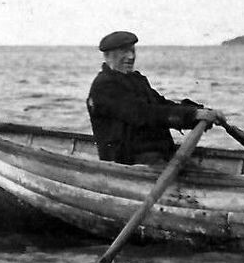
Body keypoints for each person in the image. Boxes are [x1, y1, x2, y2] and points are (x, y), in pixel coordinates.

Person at [87, 30, 227, 165]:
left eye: (132, 51)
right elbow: (143, 114)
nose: (130, 57)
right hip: (127, 159)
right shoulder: (104, 86)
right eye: (124, 51)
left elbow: (162, 105)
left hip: (157, 155)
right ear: (107, 56)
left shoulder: (136, 80)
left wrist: (202, 112)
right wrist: (193, 115)